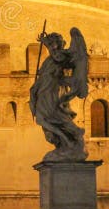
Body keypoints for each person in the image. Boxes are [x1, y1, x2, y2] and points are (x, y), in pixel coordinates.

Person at [28, 28, 89, 162]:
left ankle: (73, 133)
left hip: (52, 88)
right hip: (44, 87)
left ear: (58, 43)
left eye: (52, 43)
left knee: (49, 116)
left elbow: (57, 56)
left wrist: (46, 43)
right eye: (50, 43)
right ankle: (67, 139)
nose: (51, 46)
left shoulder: (62, 55)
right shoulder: (50, 58)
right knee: (44, 118)